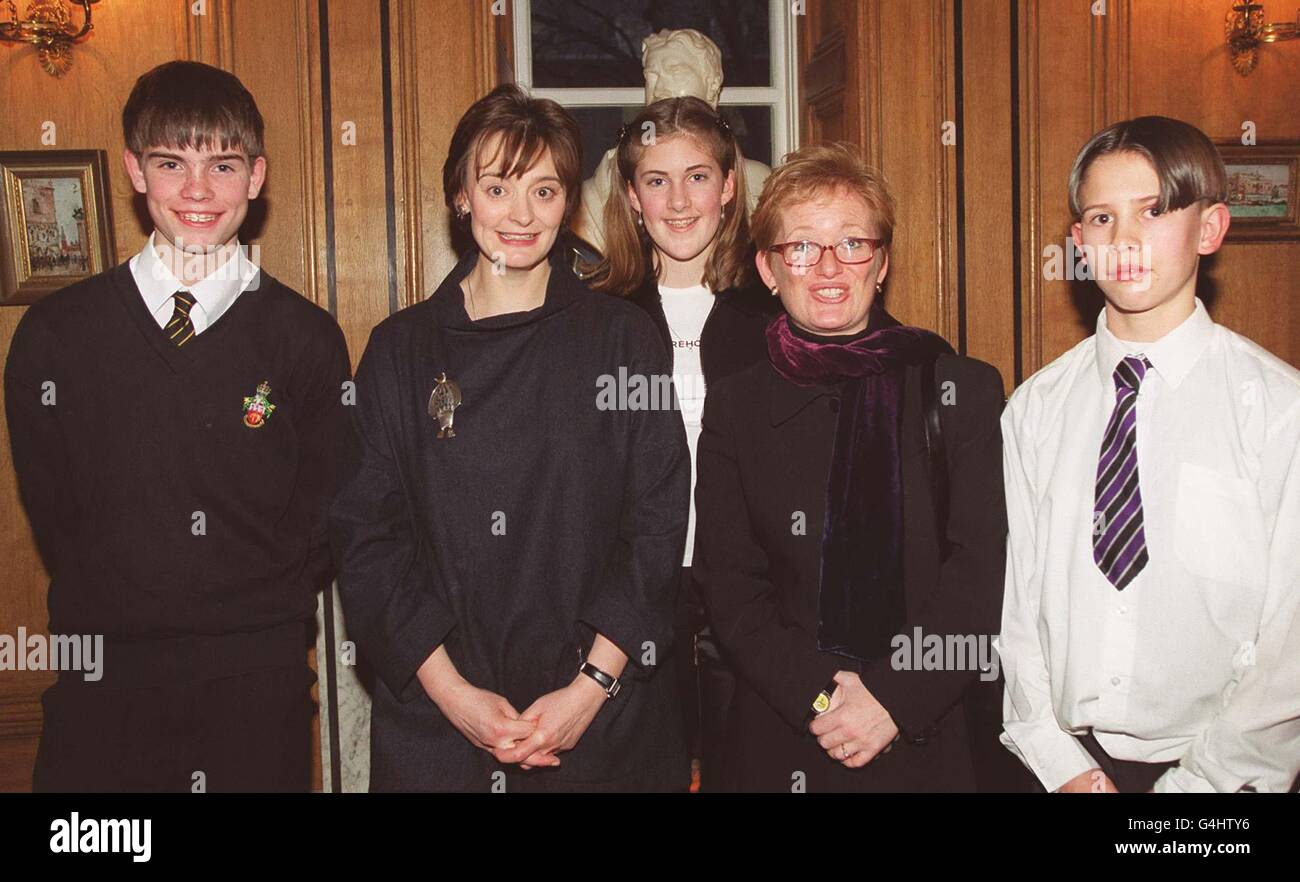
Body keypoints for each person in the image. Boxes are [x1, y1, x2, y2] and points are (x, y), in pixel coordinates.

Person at [329, 84, 691, 792]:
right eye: (498, 187)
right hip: (441, 728)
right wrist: (457, 700)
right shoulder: (401, 351)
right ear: (462, 196)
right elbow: (366, 541)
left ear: (568, 202)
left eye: (545, 190)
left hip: (602, 725)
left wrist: (589, 689)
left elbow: (656, 526)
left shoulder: (624, 340)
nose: (521, 215)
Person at [4, 61, 352, 792]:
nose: (198, 191)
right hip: (102, 683)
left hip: (255, 687)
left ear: (256, 177)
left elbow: (324, 512)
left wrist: (247, 615)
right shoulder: (55, 336)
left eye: (222, 165)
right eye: (172, 163)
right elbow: (55, 510)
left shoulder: (305, 337)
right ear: (135, 170)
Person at [998, 115, 1300, 794]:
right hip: (1064, 768)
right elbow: (1020, 615)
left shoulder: (1280, 412)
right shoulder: (1036, 409)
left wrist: (1197, 789)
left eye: (1155, 211)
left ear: (1210, 228)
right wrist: (1058, 759)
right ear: (1078, 243)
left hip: (1219, 774)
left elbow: (1291, 648)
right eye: (1101, 219)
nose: (1125, 239)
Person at [692, 143, 1007, 791]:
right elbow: (731, 591)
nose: (829, 266)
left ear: (882, 262)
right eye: (801, 246)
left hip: (928, 733)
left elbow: (980, 576)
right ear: (768, 269)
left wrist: (892, 700)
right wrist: (823, 701)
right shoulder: (737, 405)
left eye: (853, 243)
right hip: (785, 736)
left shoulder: (961, 390)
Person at [586, 95, 779, 790]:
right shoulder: (593, 319)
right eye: (656, 180)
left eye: (697, 176)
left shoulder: (780, 314)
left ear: (730, 187)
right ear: (632, 197)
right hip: (631, 599)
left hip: (759, 599)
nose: (677, 201)